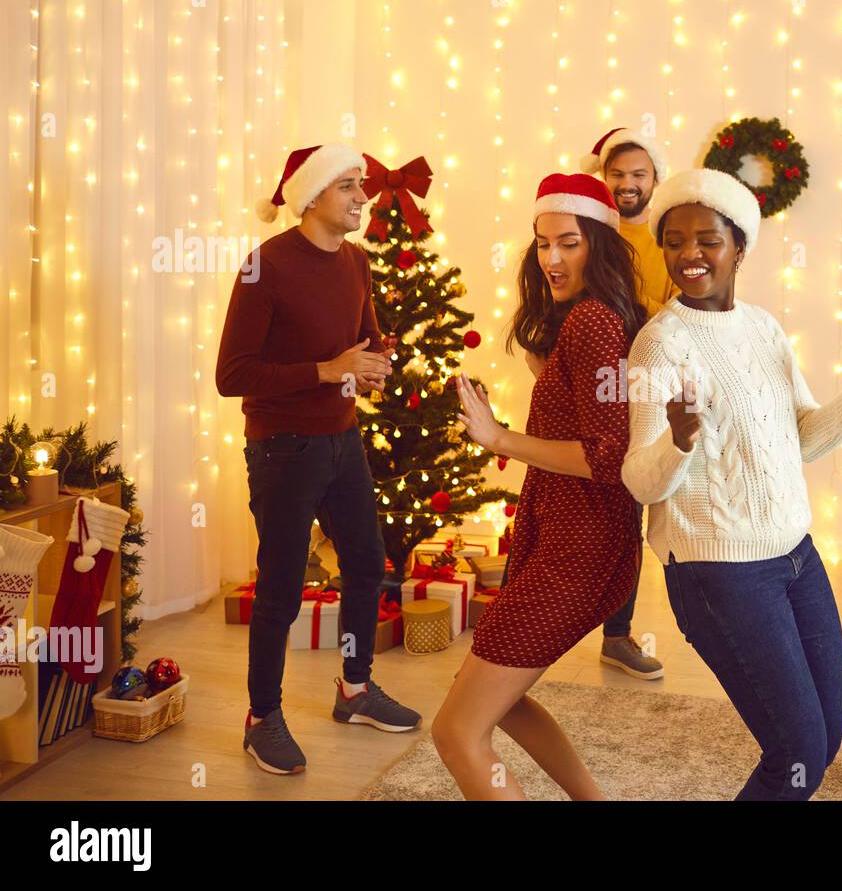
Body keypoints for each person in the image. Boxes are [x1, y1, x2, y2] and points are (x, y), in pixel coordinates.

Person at [621, 168, 842, 800]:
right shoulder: (657, 346)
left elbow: (803, 438)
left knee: (824, 740)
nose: (689, 255)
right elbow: (639, 483)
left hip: (795, 557)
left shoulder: (764, 329)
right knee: (797, 751)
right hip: (718, 572)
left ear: (740, 249)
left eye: (707, 240)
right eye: (674, 241)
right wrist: (677, 438)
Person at [430, 173, 647, 800]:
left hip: (576, 549)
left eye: (569, 243)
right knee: (498, 701)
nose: (552, 258)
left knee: (455, 733)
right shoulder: (584, 323)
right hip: (559, 535)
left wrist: (497, 438)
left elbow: (611, 458)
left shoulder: (595, 325)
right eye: (542, 242)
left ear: (598, 244)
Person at [216, 143, 421, 776]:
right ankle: (261, 718)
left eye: (362, 185)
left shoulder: (357, 261)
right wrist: (327, 370)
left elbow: (367, 339)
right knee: (280, 585)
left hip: (342, 438)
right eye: (350, 187)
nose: (365, 196)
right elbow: (232, 375)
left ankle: (354, 689)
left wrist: (372, 368)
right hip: (282, 447)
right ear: (310, 197)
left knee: (366, 563)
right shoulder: (264, 268)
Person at [571, 126, 675, 678]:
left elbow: (672, 314)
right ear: (603, 177)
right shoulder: (589, 235)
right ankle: (548, 619)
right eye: (618, 174)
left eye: (638, 175)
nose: (627, 184)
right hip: (591, 384)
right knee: (574, 504)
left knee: (630, 508)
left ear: (655, 180)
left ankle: (618, 633)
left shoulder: (668, 238)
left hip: (643, 390)